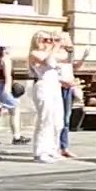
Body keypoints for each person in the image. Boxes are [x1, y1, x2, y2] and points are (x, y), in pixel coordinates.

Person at [27, 30, 63, 163]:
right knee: (45, 119)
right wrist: (54, 48)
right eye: (45, 40)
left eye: (50, 39)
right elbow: (48, 62)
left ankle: (52, 148)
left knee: (57, 120)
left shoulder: (52, 53)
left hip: (54, 86)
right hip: (43, 86)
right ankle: (40, 151)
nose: (49, 42)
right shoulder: (34, 53)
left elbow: (65, 58)